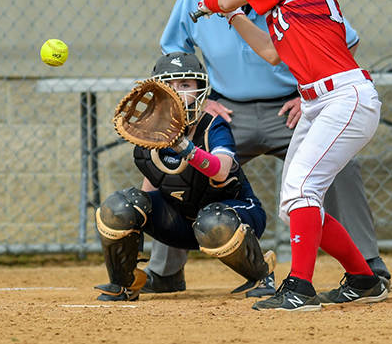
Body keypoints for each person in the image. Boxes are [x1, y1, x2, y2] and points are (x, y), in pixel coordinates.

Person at [144, 0, 390, 295]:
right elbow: (176, 55)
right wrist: (201, 101)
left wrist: (306, 90)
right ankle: (164, 272)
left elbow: (344, 41)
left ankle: (366, 265)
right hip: (226, 110)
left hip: (291, 107)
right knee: (178, 166)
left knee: (337, 166)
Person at [94, 52, 276, 301]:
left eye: (185, 85)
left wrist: (183, 146)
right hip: (183, 224)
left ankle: (261, 274)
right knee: (120, 206)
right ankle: (124, 282)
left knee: (212, 220)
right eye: (167, 86)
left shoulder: (213, 125)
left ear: (200, 90)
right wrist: (132, 221)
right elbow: (153, 187)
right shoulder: (151, 134)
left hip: (236, 215)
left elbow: (222, 169)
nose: (176, 93)